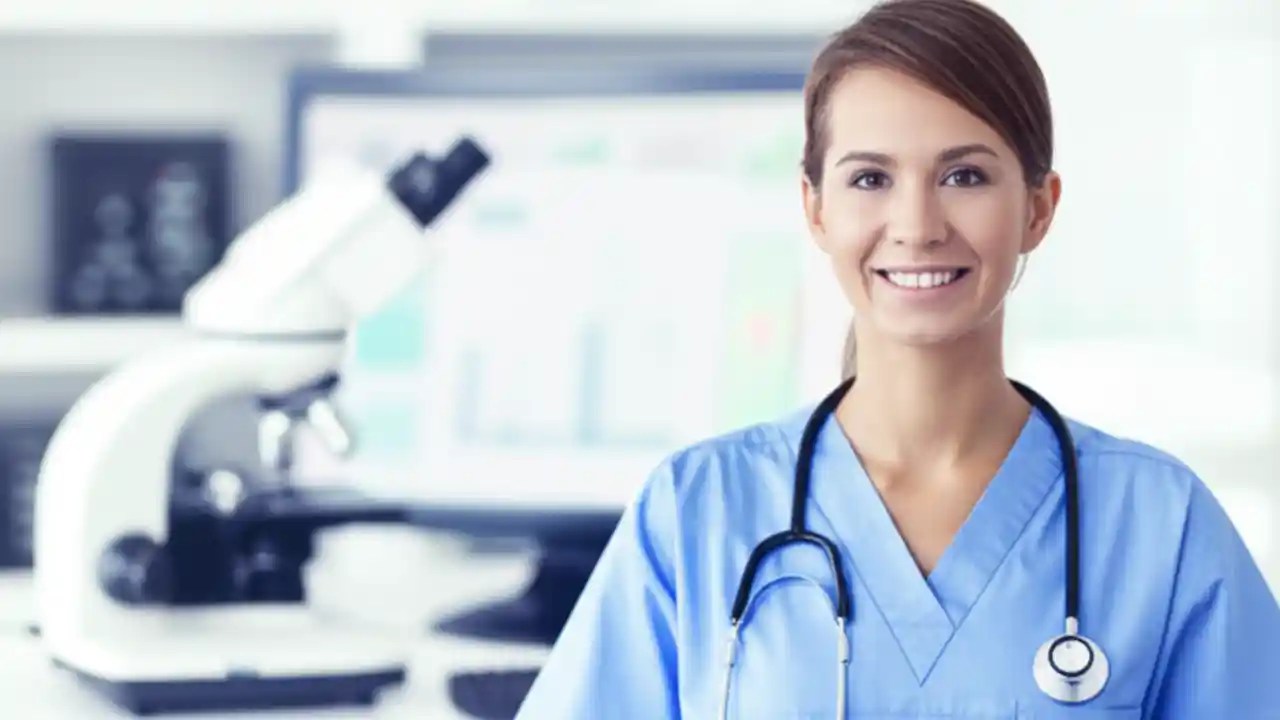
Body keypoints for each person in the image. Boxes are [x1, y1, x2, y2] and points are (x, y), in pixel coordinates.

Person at [514, 0, 1280, 717]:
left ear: (1039, 208)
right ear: (815, 208)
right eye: (871, 179)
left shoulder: (1160, 525)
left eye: (964, 176)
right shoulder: (698, 511)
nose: (916, 225)